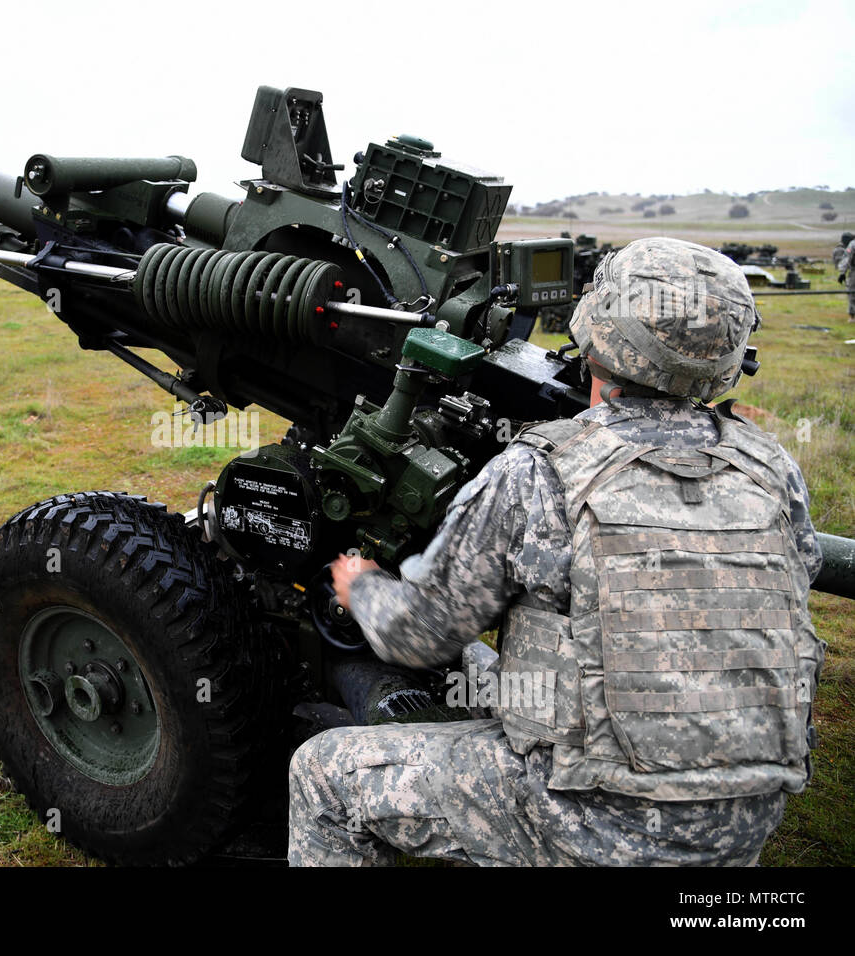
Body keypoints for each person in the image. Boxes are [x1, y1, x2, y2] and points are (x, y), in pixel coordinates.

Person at [288, 237, 825, 867]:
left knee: (319, 776)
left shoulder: (541, 470)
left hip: (597, 821)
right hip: (744, 819)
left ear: (597, 332)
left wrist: (363, 585)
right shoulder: (771, 469)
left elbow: (419, 633)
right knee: (476, 673)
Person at [838, 233, 855, 321]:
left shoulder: (852, 244)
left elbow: (847, 258)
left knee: (852, 293)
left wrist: (842, 273)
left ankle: (852, 316)